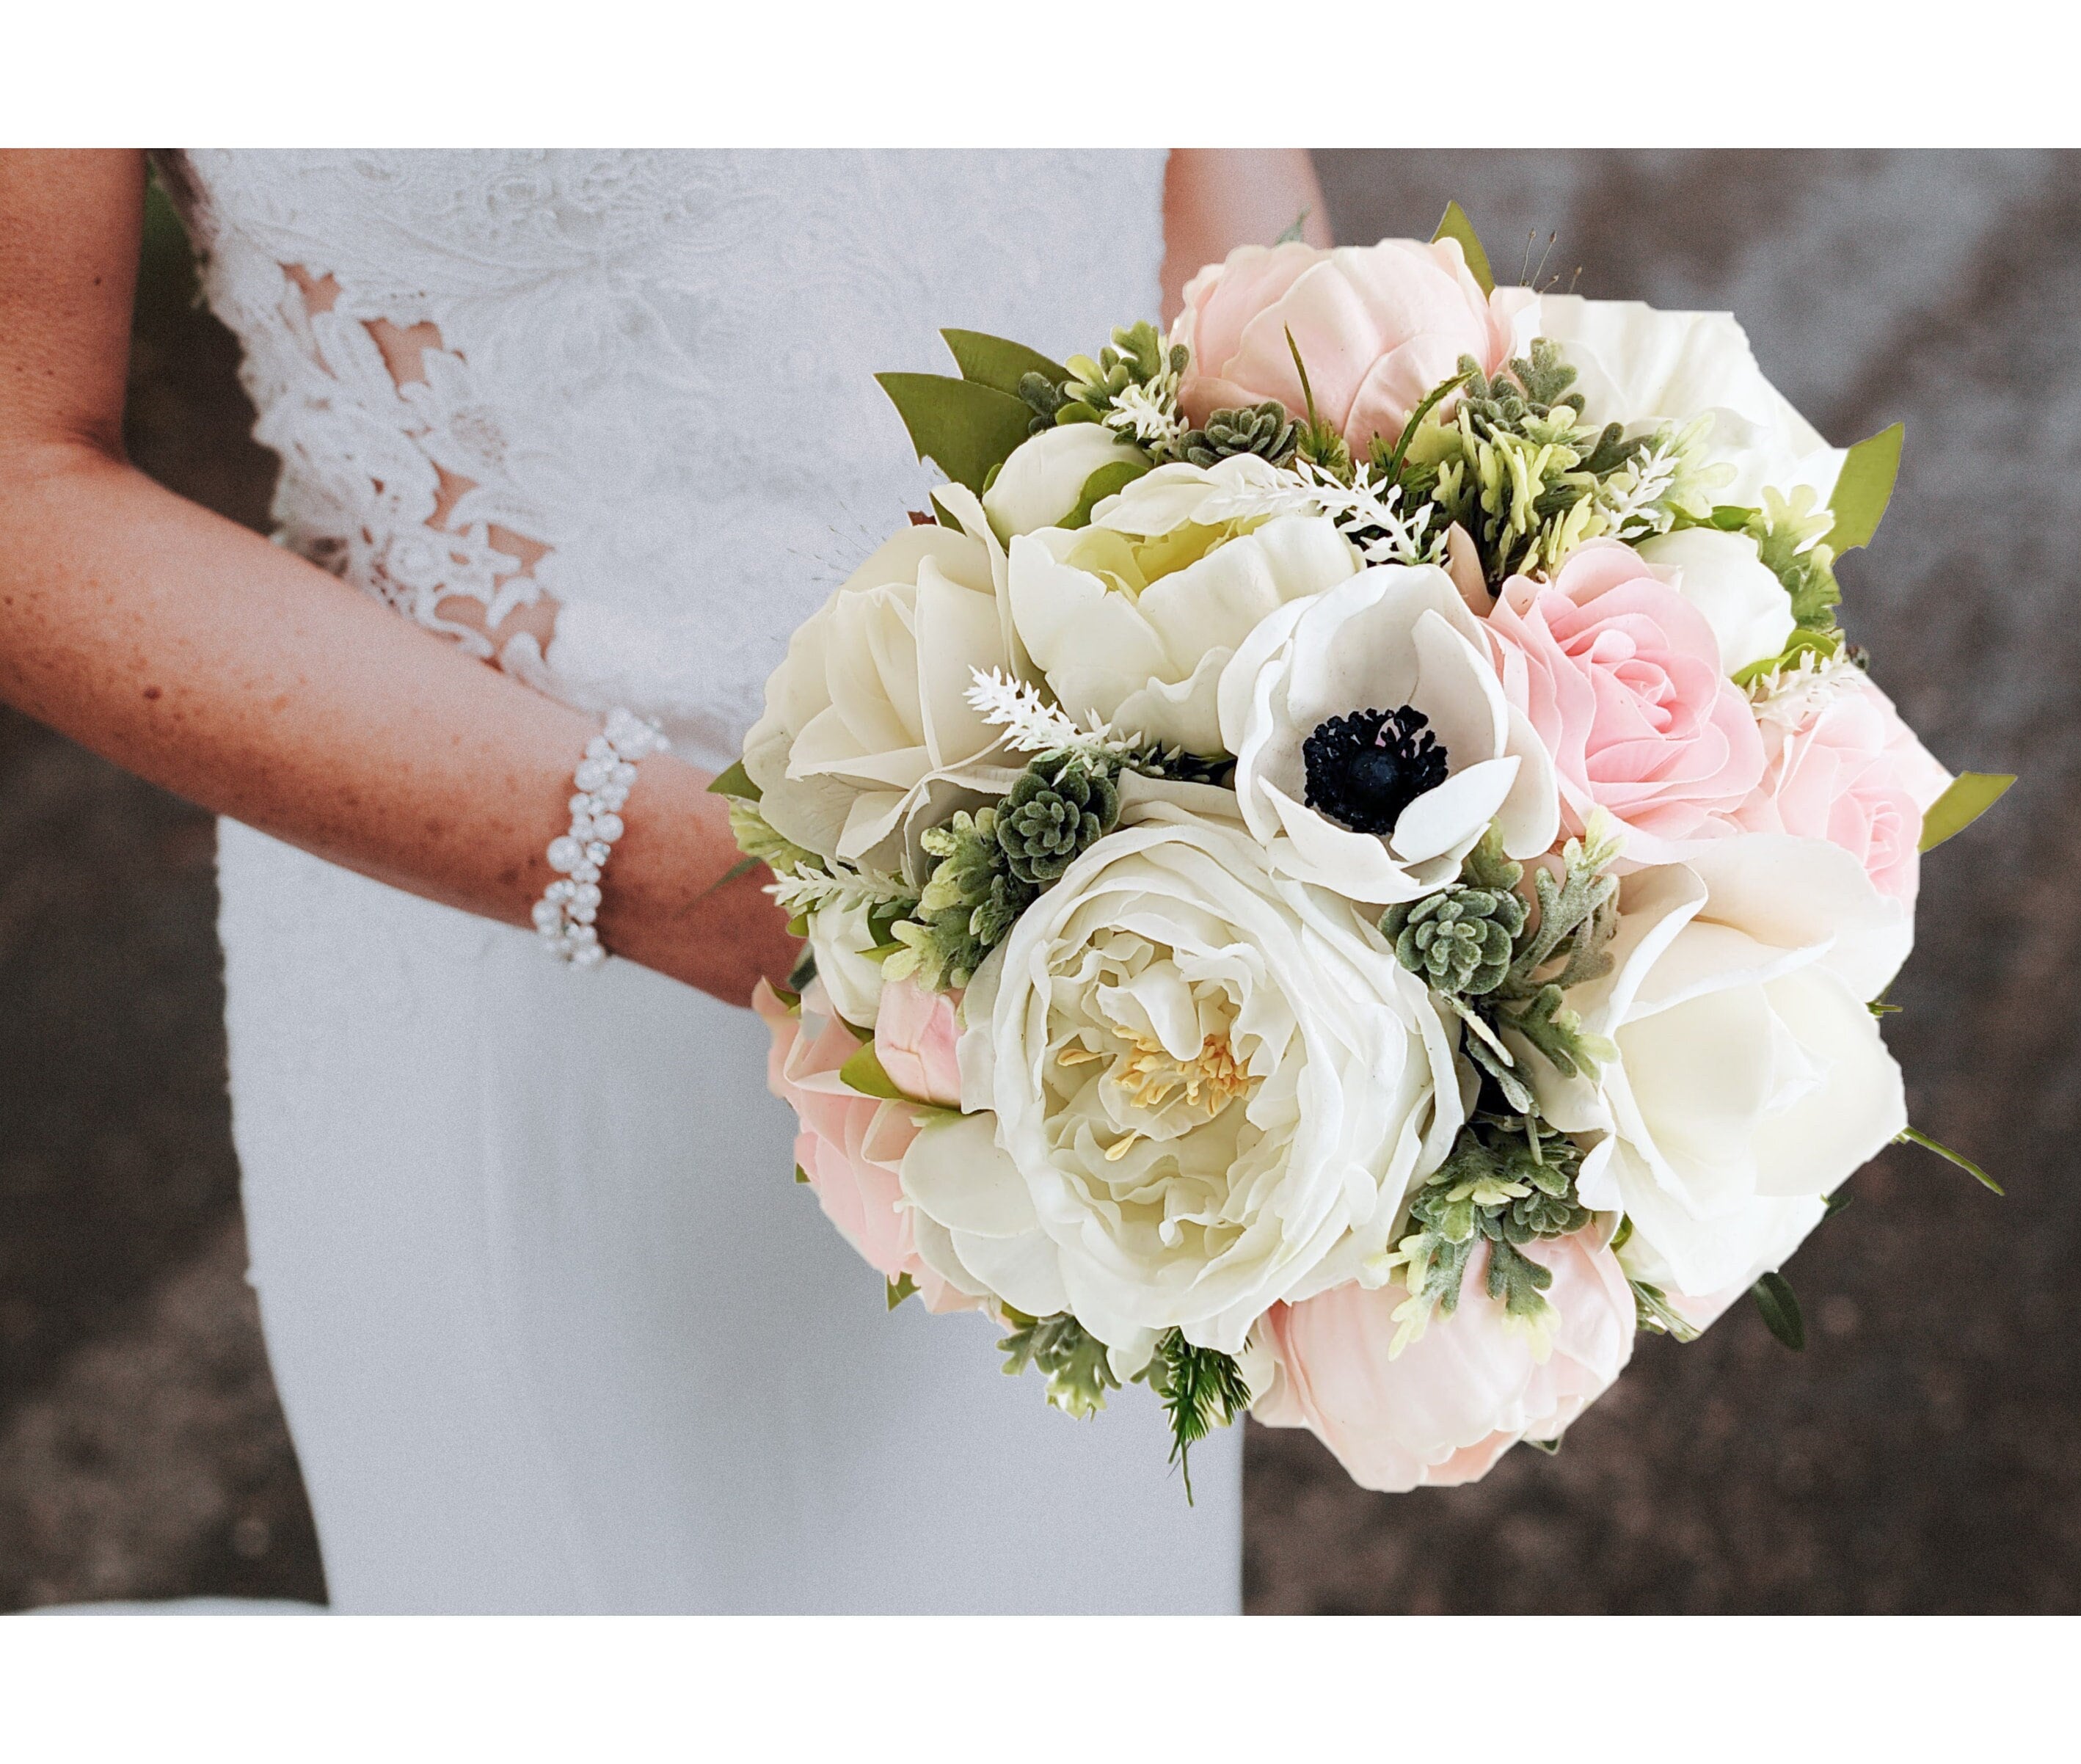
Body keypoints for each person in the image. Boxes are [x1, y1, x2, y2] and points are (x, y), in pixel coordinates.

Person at [0, 148, 1331, 1613]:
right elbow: (24, 486)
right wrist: (751, 909)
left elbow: (1221, 195)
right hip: (555, 984)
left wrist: (1358, 718)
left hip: (1143, 990)